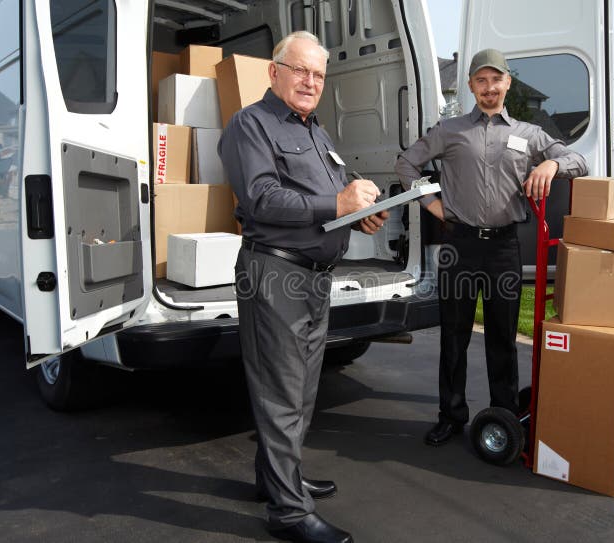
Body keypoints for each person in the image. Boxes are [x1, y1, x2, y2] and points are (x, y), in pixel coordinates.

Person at [219, 31, 387, 543]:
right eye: (301, 71)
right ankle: (289, 513)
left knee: (301, 389)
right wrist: (337, 205)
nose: (310, 81)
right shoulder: (251, 124)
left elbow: (329, 196)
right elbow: (262, 199)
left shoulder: (318, 133)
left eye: (318, 74)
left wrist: (358, 217)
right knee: (281, 394)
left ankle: (275, 479)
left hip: (312, 278)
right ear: (275, 72)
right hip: (275, 274)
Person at [395, 48, 588, 447]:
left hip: (503, 249)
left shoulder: (530, 134)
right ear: (470, 86)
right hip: (459, 246)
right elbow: (406, 165)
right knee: (455, 335)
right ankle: (451, 415)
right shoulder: (449, 131)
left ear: (507, 84)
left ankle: (504, 416)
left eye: (495, 80)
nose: (489, 88)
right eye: (481, 81)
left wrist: (551, 165)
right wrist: (432, 205)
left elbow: (578, 161)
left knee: (502, 337)